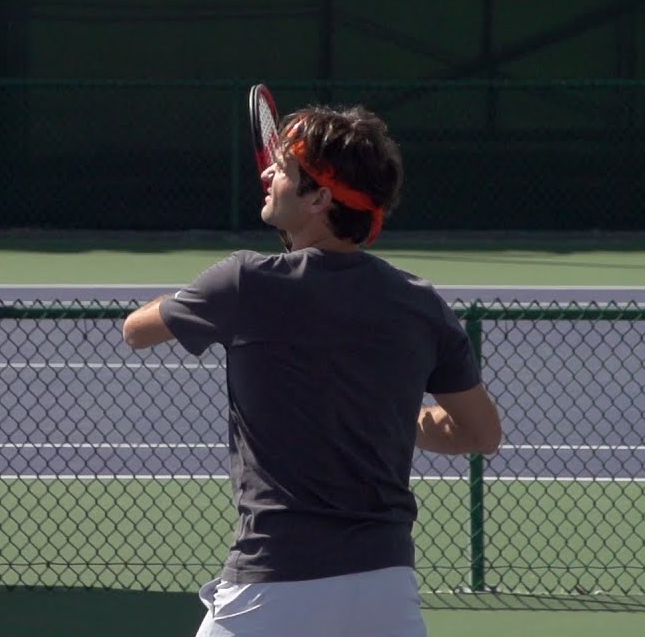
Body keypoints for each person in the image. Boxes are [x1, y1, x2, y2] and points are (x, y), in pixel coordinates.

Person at [121, 104, 502, 637]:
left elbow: (136, 330)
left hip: (272, 586)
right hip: (386, 592)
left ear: (320, 198)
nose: (266, 175)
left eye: (283, 170)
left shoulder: (242, 282)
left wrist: (204, 295)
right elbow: (481, 434)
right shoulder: (421, 304)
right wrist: (394, 414)